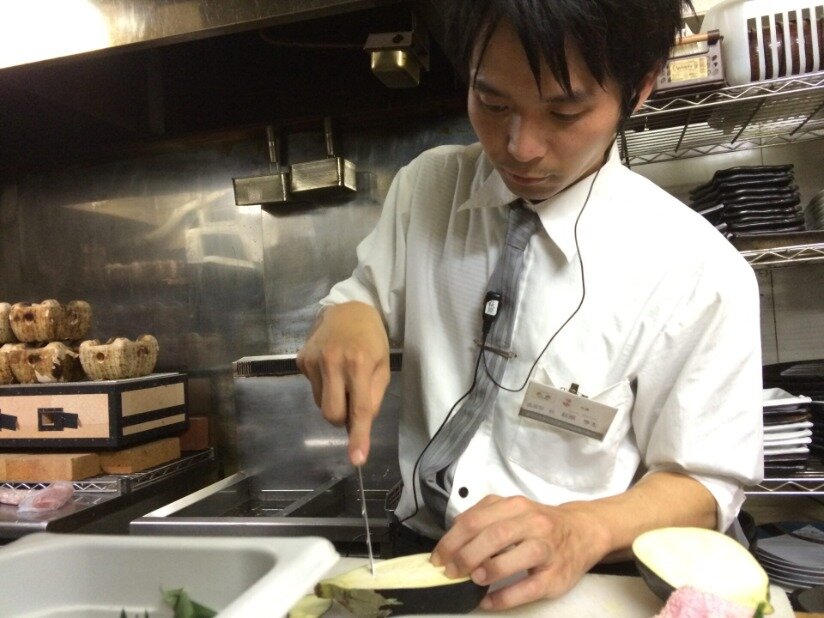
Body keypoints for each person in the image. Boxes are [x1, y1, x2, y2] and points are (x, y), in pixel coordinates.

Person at [297, 0, 763, 611]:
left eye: (565, 112)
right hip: (423, 557)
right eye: (492, 103)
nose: (519, 147)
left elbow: (704, 483)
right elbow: (363, 294)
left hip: (580, 581)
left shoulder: (700, 270)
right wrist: (348, 316)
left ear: (641, 88)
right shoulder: (426, 188)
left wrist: (581, 529)